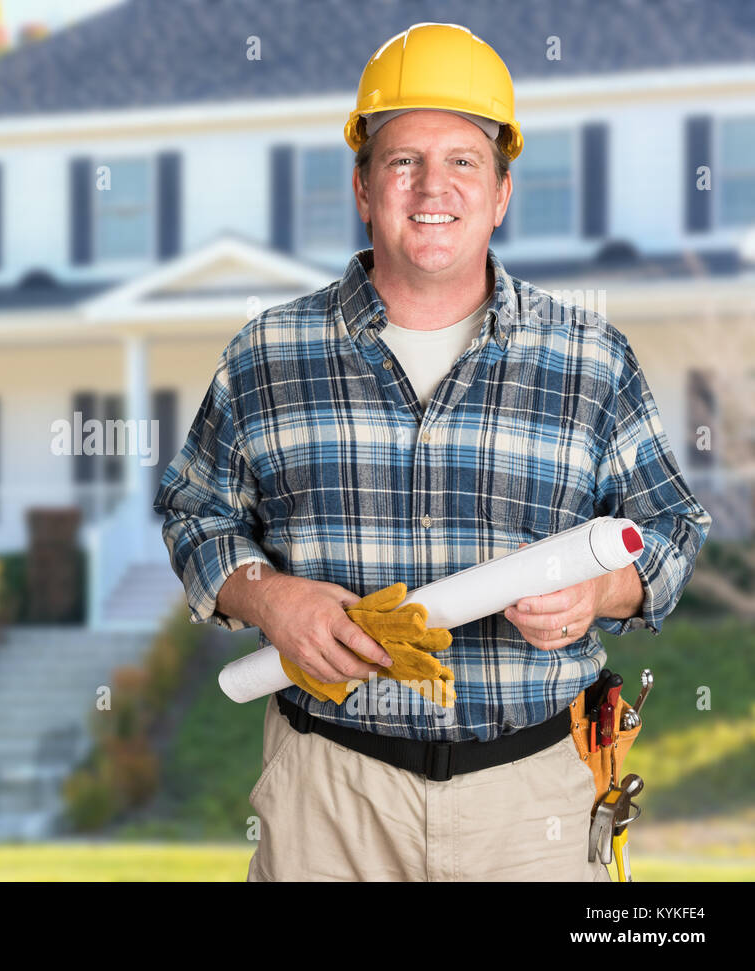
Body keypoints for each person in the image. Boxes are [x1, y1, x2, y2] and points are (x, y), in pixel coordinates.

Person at [153, 23, 711, 881]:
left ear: (500, 193)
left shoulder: (589, 358)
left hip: (534, 804)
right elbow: (196, 511)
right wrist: (269, 599)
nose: (430, 187)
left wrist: (602, 586)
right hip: (326, 799)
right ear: (363, 185)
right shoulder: (268, 354)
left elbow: (671, 525)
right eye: (402, 160)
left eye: (462, 160)